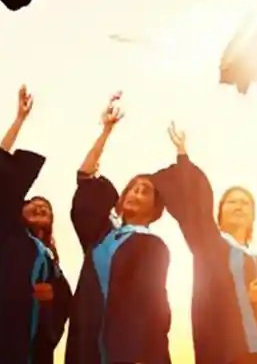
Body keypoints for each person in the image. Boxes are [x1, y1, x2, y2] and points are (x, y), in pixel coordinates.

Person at [150, 122, 257, 363]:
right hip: (220, 354)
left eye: (245, 203)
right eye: (232, 201)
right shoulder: (210, 246)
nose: (239, 206)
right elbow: (195, 207)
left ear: (253, 216)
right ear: (219, 213)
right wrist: (183, 156)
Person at [66, 92, 173, 364]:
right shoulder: (100, 236)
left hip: (127, 351)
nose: (135, 194)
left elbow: (154, 304)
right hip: (86, 345)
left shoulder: (153, 246)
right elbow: (86, 177)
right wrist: (106, 131)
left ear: (156, 207)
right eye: (132, 189)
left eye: (144, 191)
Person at [0, 85, 73, 364]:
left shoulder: (50, 259)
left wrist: (49, 300)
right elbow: (0, 184)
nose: (40, 206)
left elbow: (65, 301)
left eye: (47, 207)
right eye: (33, 203)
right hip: (1, 338)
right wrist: (19, 121)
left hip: (34, 348)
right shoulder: (2, 236)